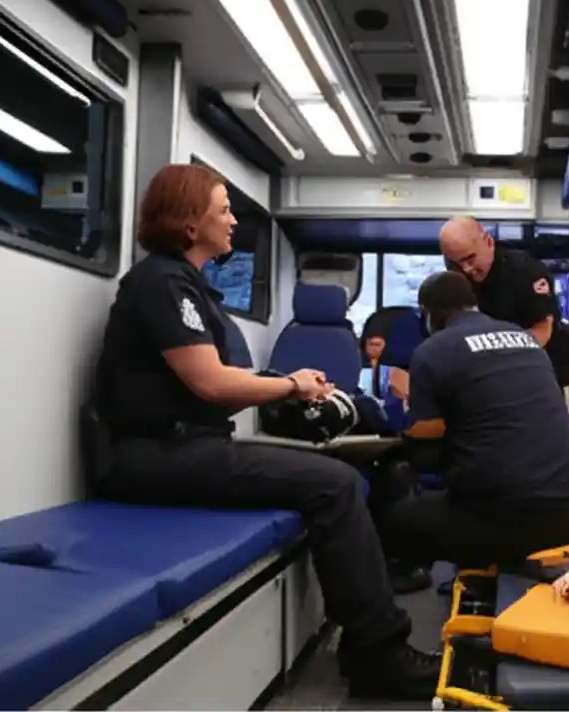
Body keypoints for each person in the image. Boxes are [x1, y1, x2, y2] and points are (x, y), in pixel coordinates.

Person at [92, 164, 439, 699]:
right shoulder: (162, 282)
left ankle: (371, 627)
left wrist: (288, 385)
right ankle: (378, 655)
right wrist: (291, 387)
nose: (234, 220)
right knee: (336, 485)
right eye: (224, 209)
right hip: (152, 456)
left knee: (343, 473)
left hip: (185, 446)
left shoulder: (185, 284)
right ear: (189, 224)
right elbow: (209, 383)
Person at [378, 272, 569, 567]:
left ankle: (405, 591)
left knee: (393, 520)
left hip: (508, 524)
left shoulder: (432, 351)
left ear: (428, 314)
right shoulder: (526, 340)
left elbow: (424, 445)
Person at [439, 215, 569, 387]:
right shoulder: (457, 280)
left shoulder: (525, 271)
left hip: (536, 372)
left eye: (470, 259)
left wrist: (502, 365)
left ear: (488, 242)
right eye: (457, 264)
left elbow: (542, 328)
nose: (467, 269)